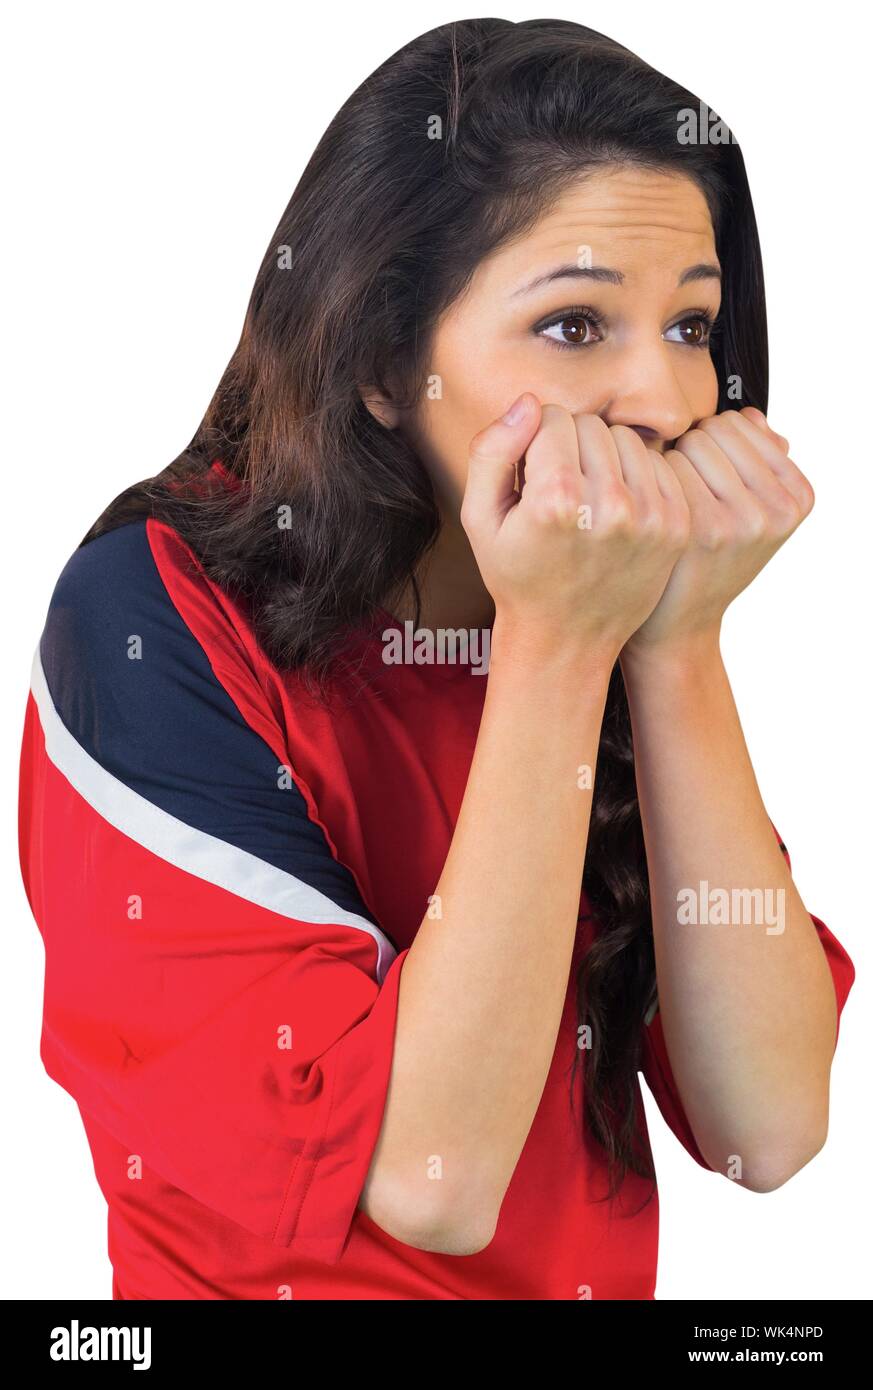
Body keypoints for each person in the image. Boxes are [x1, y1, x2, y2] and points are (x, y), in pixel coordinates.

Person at [18, 17, 854, 1300]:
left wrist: (677, 646)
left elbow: (770, 1127)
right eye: (576, 326)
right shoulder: (149, 618)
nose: (668, 404)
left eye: (693, 327)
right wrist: (563, 647)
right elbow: (431, 1178)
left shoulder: (616, 599)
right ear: (382, 364)